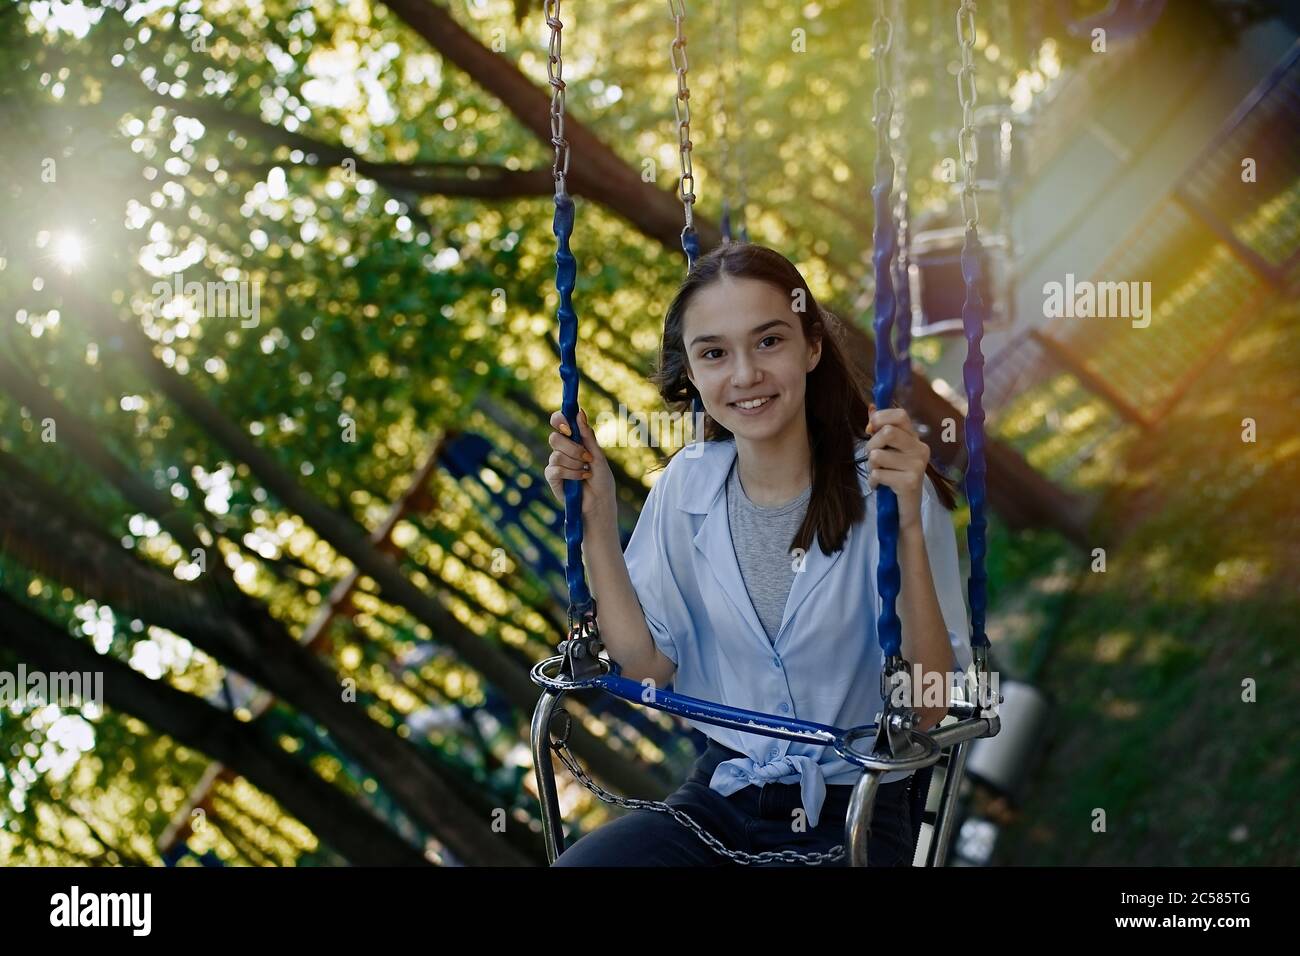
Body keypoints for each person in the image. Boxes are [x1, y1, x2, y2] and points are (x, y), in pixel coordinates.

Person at [543, 241, 972, 866]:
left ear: (812, 347)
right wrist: (598, 522)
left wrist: (906, 523)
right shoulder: (686, 487)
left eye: (769, 341)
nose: (744, 375)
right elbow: (645, 669)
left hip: (856, 804)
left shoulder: (885, 483)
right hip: (722, 796)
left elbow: (929, 706)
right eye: (714, 353)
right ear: (691, 373)